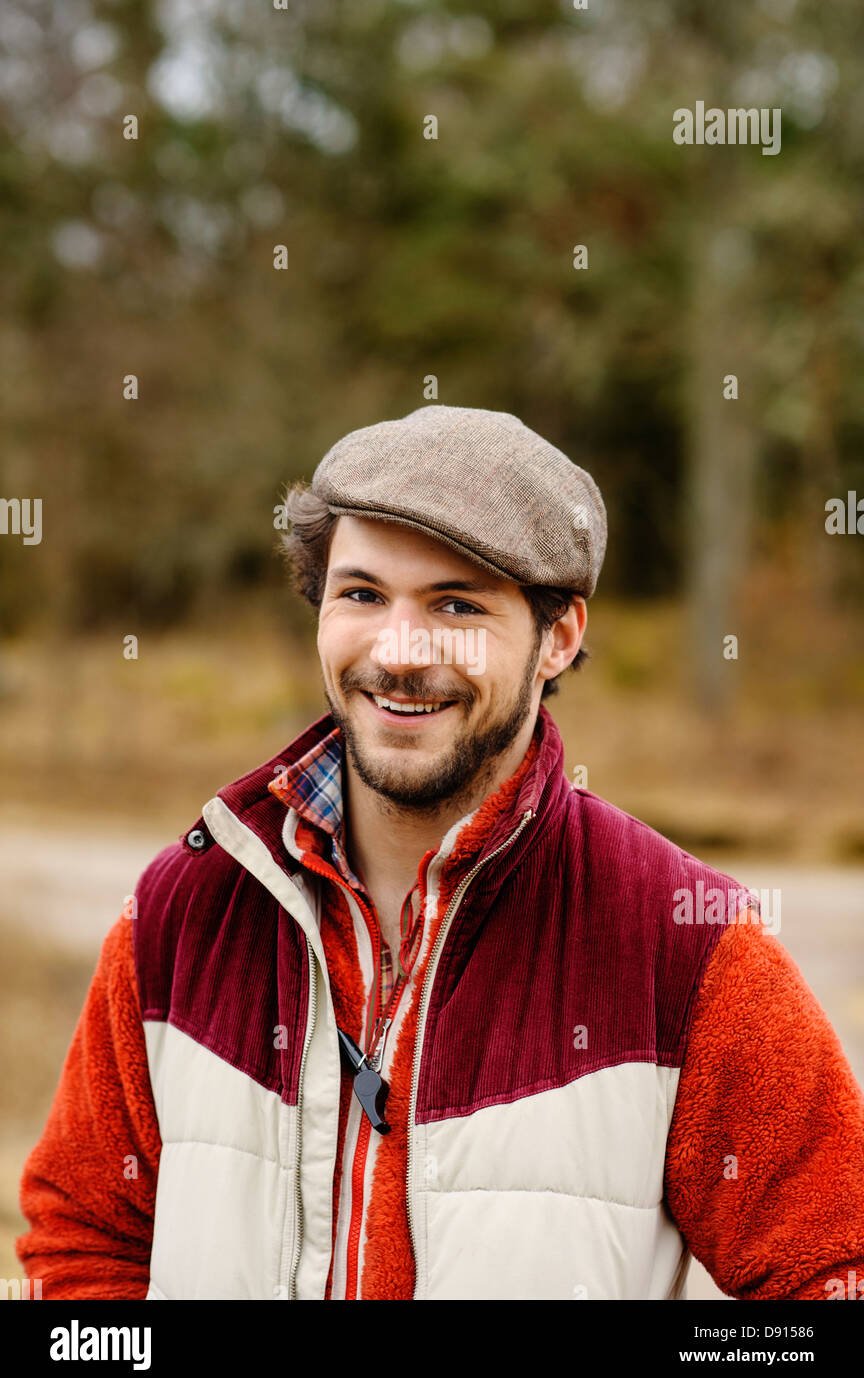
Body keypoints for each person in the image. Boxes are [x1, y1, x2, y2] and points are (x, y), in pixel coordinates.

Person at [16, 404, 864, 1300]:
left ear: (559, 637)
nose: (399, 651)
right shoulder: (185, 908)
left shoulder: (685, 947)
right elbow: (83, 1244)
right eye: (362, 594)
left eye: (456, 604)